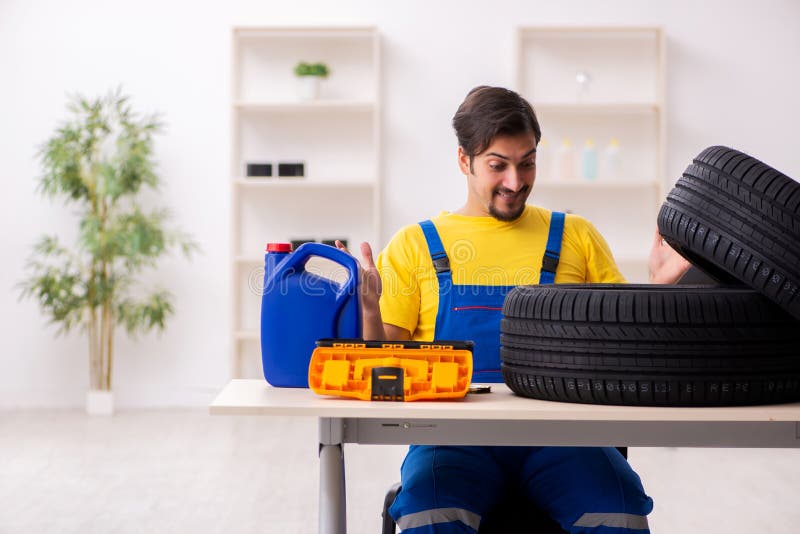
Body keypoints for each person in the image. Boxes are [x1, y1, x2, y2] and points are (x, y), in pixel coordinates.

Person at [337, 86, 690, 534]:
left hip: (566, 440)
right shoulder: (414, 245)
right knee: (430, 517)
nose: (515, 181)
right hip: (451, 441)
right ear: (464, 161)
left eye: (527, 162)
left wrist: (658, 290)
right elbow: (385, 368)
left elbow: (627, 347)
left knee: (617, 515)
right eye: (497, 165)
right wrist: (370, 309)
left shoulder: (575, 236)